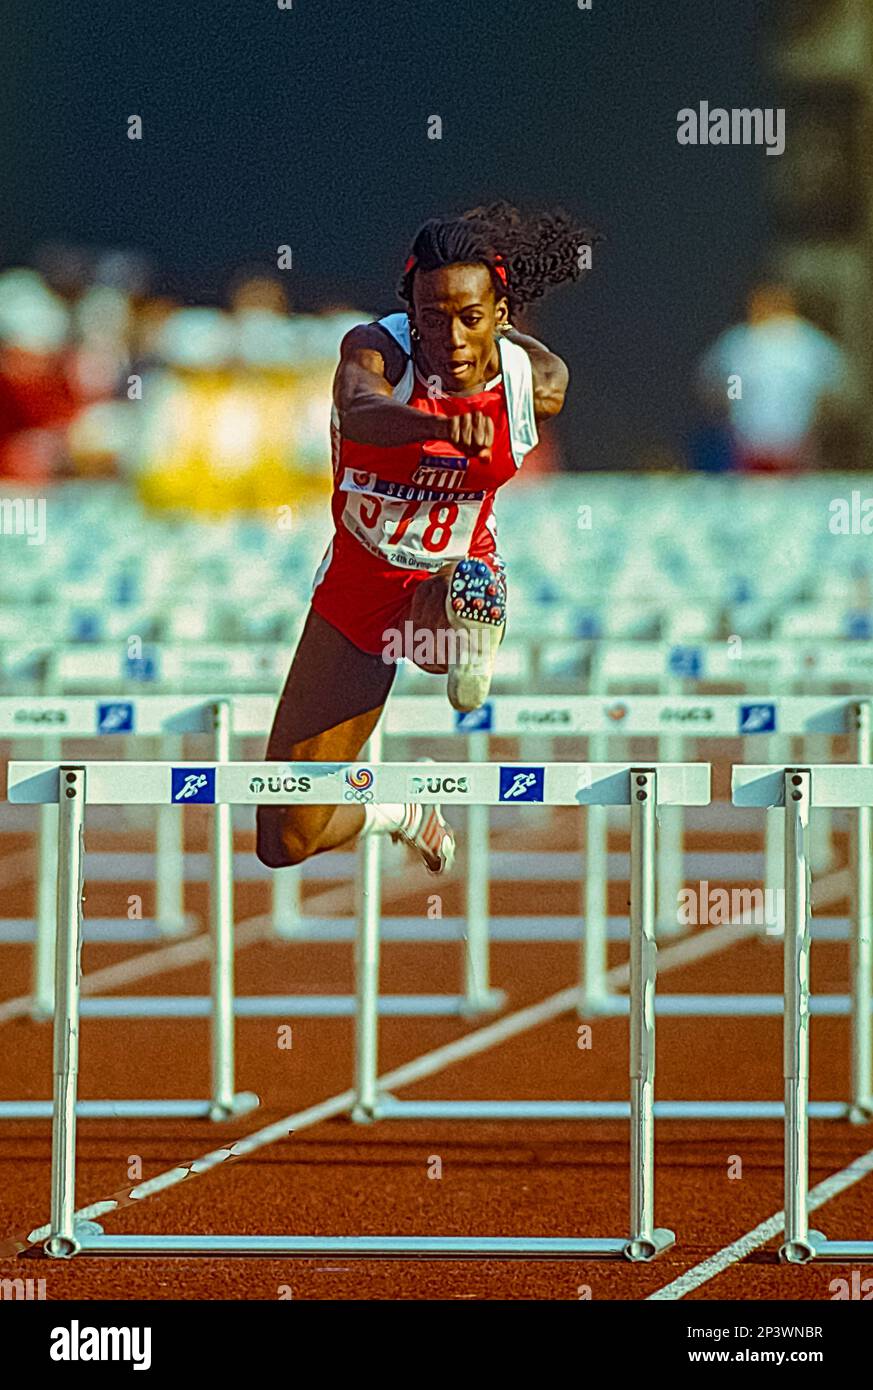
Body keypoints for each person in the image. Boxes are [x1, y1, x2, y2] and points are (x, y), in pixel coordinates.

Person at [257, 201, 597, 875]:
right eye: (433, 317)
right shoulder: (374, 350)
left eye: (470, 317)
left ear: (501, 315)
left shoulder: (538, 382)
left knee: (446, 608)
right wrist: (432, 428)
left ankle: (470, 615)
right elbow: (359, 411)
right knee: (284, 837)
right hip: (357, 587)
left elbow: (535, 374)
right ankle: (399, 810)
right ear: (411, 314)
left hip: (448, 572)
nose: (453, 337)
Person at [696, 283, 851, 473]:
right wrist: (734, 410)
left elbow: (835, 389)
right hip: (750, 445)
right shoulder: (740, 343)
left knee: (798, 497)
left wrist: (814, 419)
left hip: (794, 446)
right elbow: (720, 383)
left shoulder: (808, 345)